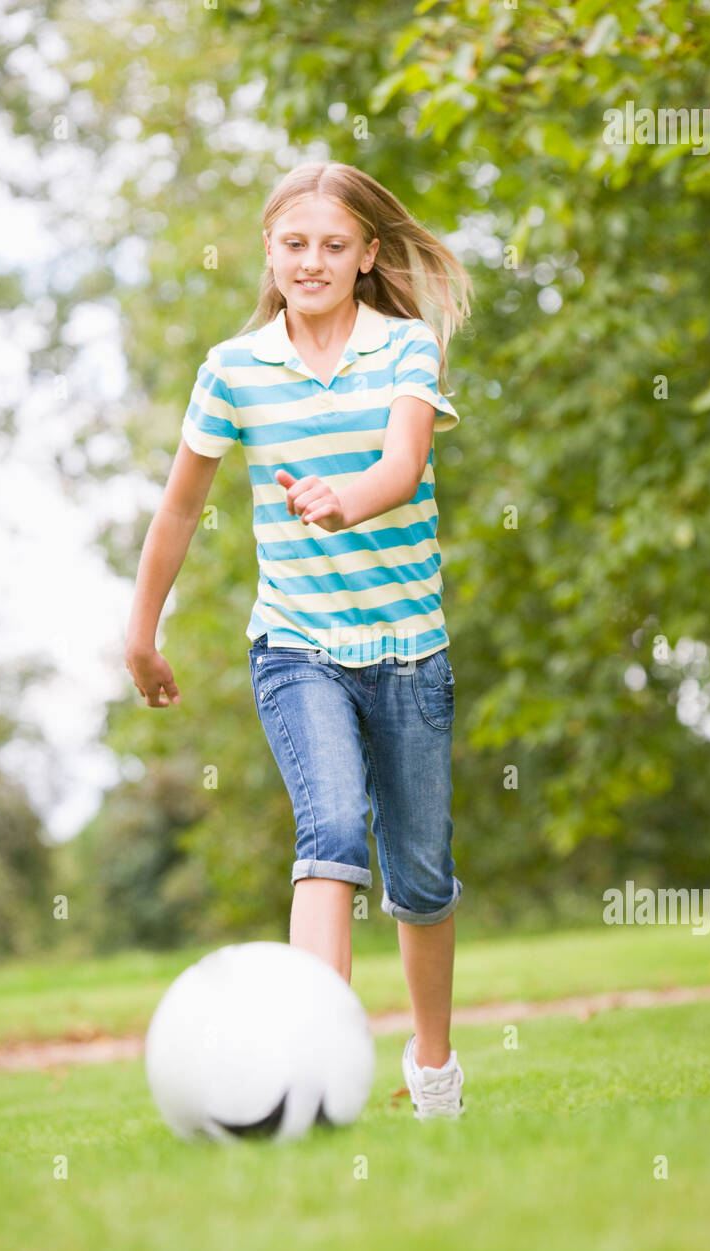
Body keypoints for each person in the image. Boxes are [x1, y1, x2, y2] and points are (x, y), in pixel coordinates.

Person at [125, 161, 473, 1119]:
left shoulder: (407, 348)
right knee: (327, 829)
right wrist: (140, 631)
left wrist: (341, 498)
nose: (311, 261)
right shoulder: (232, 369)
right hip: (296, 643)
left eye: (332, 245)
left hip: (409, 647)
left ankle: (433, 1071)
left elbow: (402, 465)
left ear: (366, 256)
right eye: (294, 244)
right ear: (269, 254)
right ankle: (323, 1068)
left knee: (422, 874)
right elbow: (180, 511)